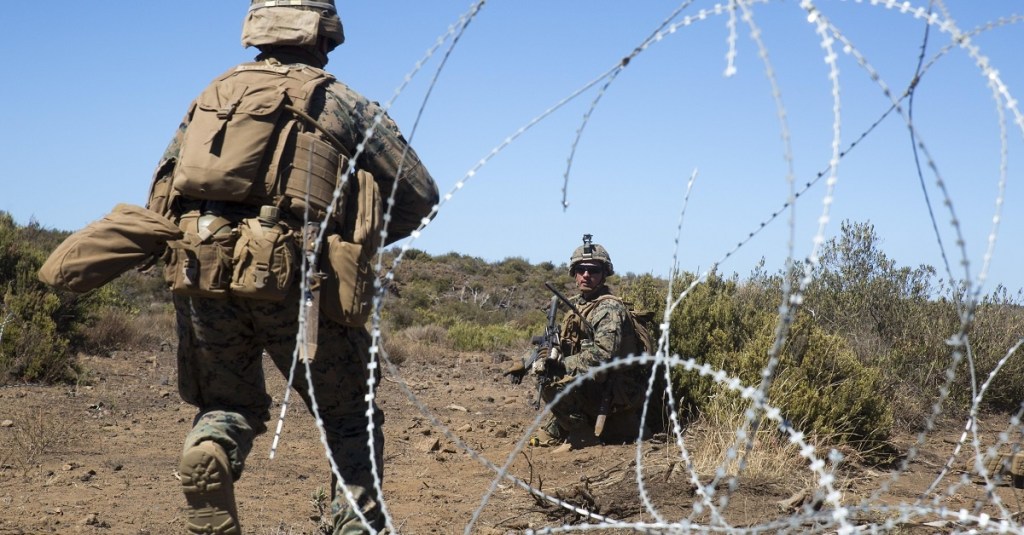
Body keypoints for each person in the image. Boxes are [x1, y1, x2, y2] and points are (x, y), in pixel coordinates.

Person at [145, 2, 439, 533]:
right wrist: (356, 240)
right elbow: (420, 194)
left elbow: (163, 188)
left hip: (200, 270)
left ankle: (211, 446)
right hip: (300, 280)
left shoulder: (210, 97)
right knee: (349, 415)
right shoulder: (340, 102)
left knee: (228, 402)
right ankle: (355, 522)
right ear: (324, 34)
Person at [506, 235, 649, 448]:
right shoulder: (578, 305)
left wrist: (560, 364)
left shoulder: (608, 309)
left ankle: (582, 434)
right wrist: (526, 361)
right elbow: (558, 343)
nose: (586, 275)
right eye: (581, 270)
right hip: (597, 385)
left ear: (604, 274)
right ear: (574, 273)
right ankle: (562, 428)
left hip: (616, 391)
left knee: (551, 378)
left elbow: (603, 357)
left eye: (593, 270)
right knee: (545, 368)